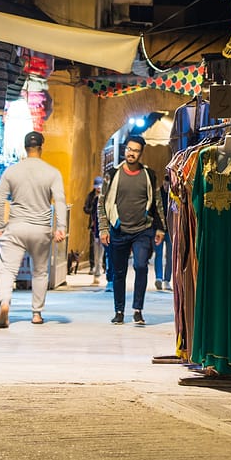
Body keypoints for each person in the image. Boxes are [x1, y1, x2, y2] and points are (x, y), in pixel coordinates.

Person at [0, 130, 67, 327]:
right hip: (40, 229)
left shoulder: (11, 171)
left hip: (16, 227)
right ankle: (36, 313)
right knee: (40, 272)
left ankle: (5, 302)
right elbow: (60, 200)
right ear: (41, 147)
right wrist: (61, 227)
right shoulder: (52, 172)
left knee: (7, 269)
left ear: (25, 148)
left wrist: (0, 225)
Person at [99, 135, 165, 325]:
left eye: (135, 150)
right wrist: (104, 228)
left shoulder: (149, 175)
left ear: (141, 153)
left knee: (141, 265)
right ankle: (119, 311)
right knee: (119, 272)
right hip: (118, 229)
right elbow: (102, 203)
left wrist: (160, 228)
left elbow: (157, 203)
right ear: (125, 150)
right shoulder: (112, 174)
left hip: (142, 230)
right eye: (129, 149)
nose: (131, 153)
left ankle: (137, 309)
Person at [82, 176, 104, 285]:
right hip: (94, 227)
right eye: (97, 186)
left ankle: (101, 268)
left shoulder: (105, 196)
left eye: (100, 186)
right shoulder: (91, 196)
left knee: (102, 251)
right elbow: (86, 208)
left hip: (104, 229)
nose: (98, 188)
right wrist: (92, 209)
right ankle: (95, 270)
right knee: (95, 250)